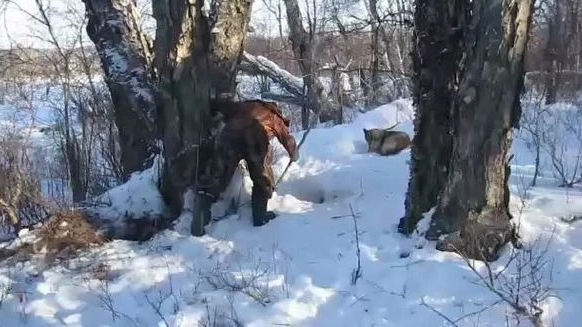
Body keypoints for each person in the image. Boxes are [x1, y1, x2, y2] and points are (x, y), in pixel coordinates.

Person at [191, 99, 298, 236]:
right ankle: (260, 217)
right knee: (261, 177)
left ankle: (201, 213)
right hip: (255, 136)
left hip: (230, 134)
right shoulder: (274, 116)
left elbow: (223, 104)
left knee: (217, 175)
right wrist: (294, 154)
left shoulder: (243, 106)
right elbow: (287, 138)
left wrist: (213, 104)